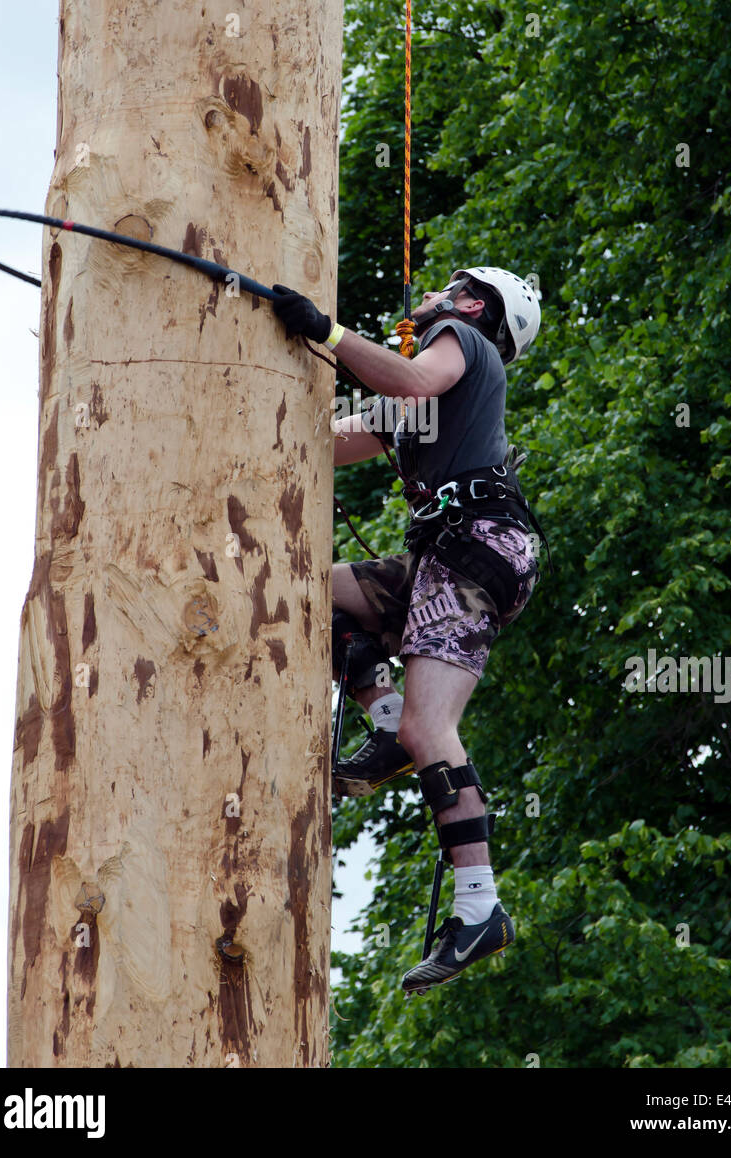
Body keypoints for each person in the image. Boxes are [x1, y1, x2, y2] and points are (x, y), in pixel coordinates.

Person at [271, 268, 545, 993]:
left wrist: (325, 330)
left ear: (473, 305)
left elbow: (414, 382)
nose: (428, 294)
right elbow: (324, 445)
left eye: (448, 286)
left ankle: (478, 906)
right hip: (447, 556)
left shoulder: (460, 342)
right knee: (302, 593)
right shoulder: (423, 398)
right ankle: (388, 726)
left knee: (435, 731)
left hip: (476, 548)